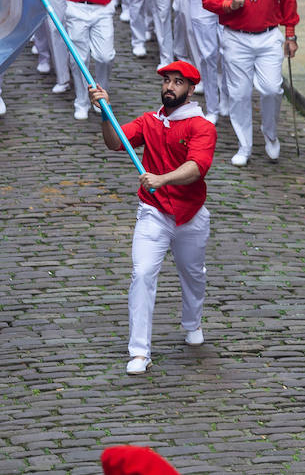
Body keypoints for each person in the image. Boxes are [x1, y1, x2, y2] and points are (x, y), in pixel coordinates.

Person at [88, 60, 215, 375]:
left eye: (177, 82)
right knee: (142, 274)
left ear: (190, 89)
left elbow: (197, 167)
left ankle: (192, 322)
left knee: (194, 275)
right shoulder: (149, 121)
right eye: (166, 81)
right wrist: (105, 112)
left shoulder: (202, 126)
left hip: (191, 215)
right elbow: (115, 142)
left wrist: (163, 179)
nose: (169, 87)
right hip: (153, 213)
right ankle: (139, 351)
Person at [200, 0, 300, 165]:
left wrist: (291, 34)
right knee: (240, 94)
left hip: (268, 37)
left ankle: (271, 134)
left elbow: (288, 0)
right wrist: (227, 4)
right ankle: (244, 145)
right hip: (236, 38)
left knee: (271, 89)